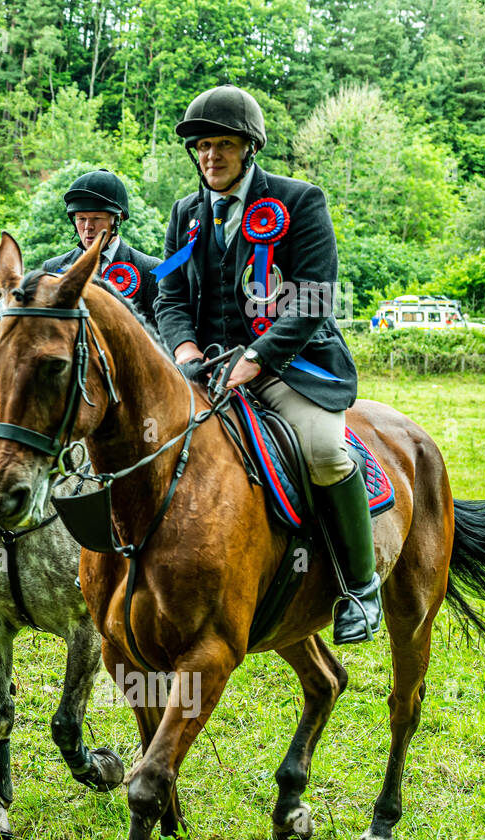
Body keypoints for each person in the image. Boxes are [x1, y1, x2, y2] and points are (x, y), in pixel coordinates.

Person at [154, 84, 378, 645]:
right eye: (203, 146)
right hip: (206, 373)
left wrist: (257, 359)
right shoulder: (187, 215)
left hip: (291, 367)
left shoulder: (298, 202)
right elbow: (169, 295)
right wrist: (183, 351)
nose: (211, 157)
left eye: (223, 144)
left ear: (249, 147)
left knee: (326, 453)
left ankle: (360, 587)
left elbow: (312, 298)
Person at [42, 169, 162, 323]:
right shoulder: (52, 268)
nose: (87, 227)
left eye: (97, 218)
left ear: (118, 219)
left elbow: (160, 336)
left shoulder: (150, 270)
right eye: (81, 219)